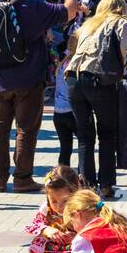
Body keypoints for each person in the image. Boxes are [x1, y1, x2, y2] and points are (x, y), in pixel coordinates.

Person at [0, 0, 78, 193]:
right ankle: (22, 178)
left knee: (0, 128)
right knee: (25, 129)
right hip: (28, 77)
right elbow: (70, 11)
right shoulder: (30, 6)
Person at [66, 0, 127, 199]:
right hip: (100, 80)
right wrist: (123, 70)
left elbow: (71, 46)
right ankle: (106, 184)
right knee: (106, 133)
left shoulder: (89, 23)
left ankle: (86, 185)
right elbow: (123, 49)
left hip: (73, 79)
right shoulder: (122, 22)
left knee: (85, 135)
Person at [24, 165, 81, 253]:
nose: (59, 206)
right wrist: (47, 230)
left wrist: (77, 237)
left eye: (65, 201)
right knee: (36, 244)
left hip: (82, 251)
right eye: (54, 200)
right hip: (62, 249)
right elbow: (35, 225)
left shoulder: (83, 206)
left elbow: (98, 229)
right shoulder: (47, 208)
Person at [53, 34, 78, 168]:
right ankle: (83, 175)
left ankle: (63, 176)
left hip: (58, 112)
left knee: (65, 148)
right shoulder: (74, 64)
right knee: (84, 143)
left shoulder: (62, 63)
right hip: (71, 111)